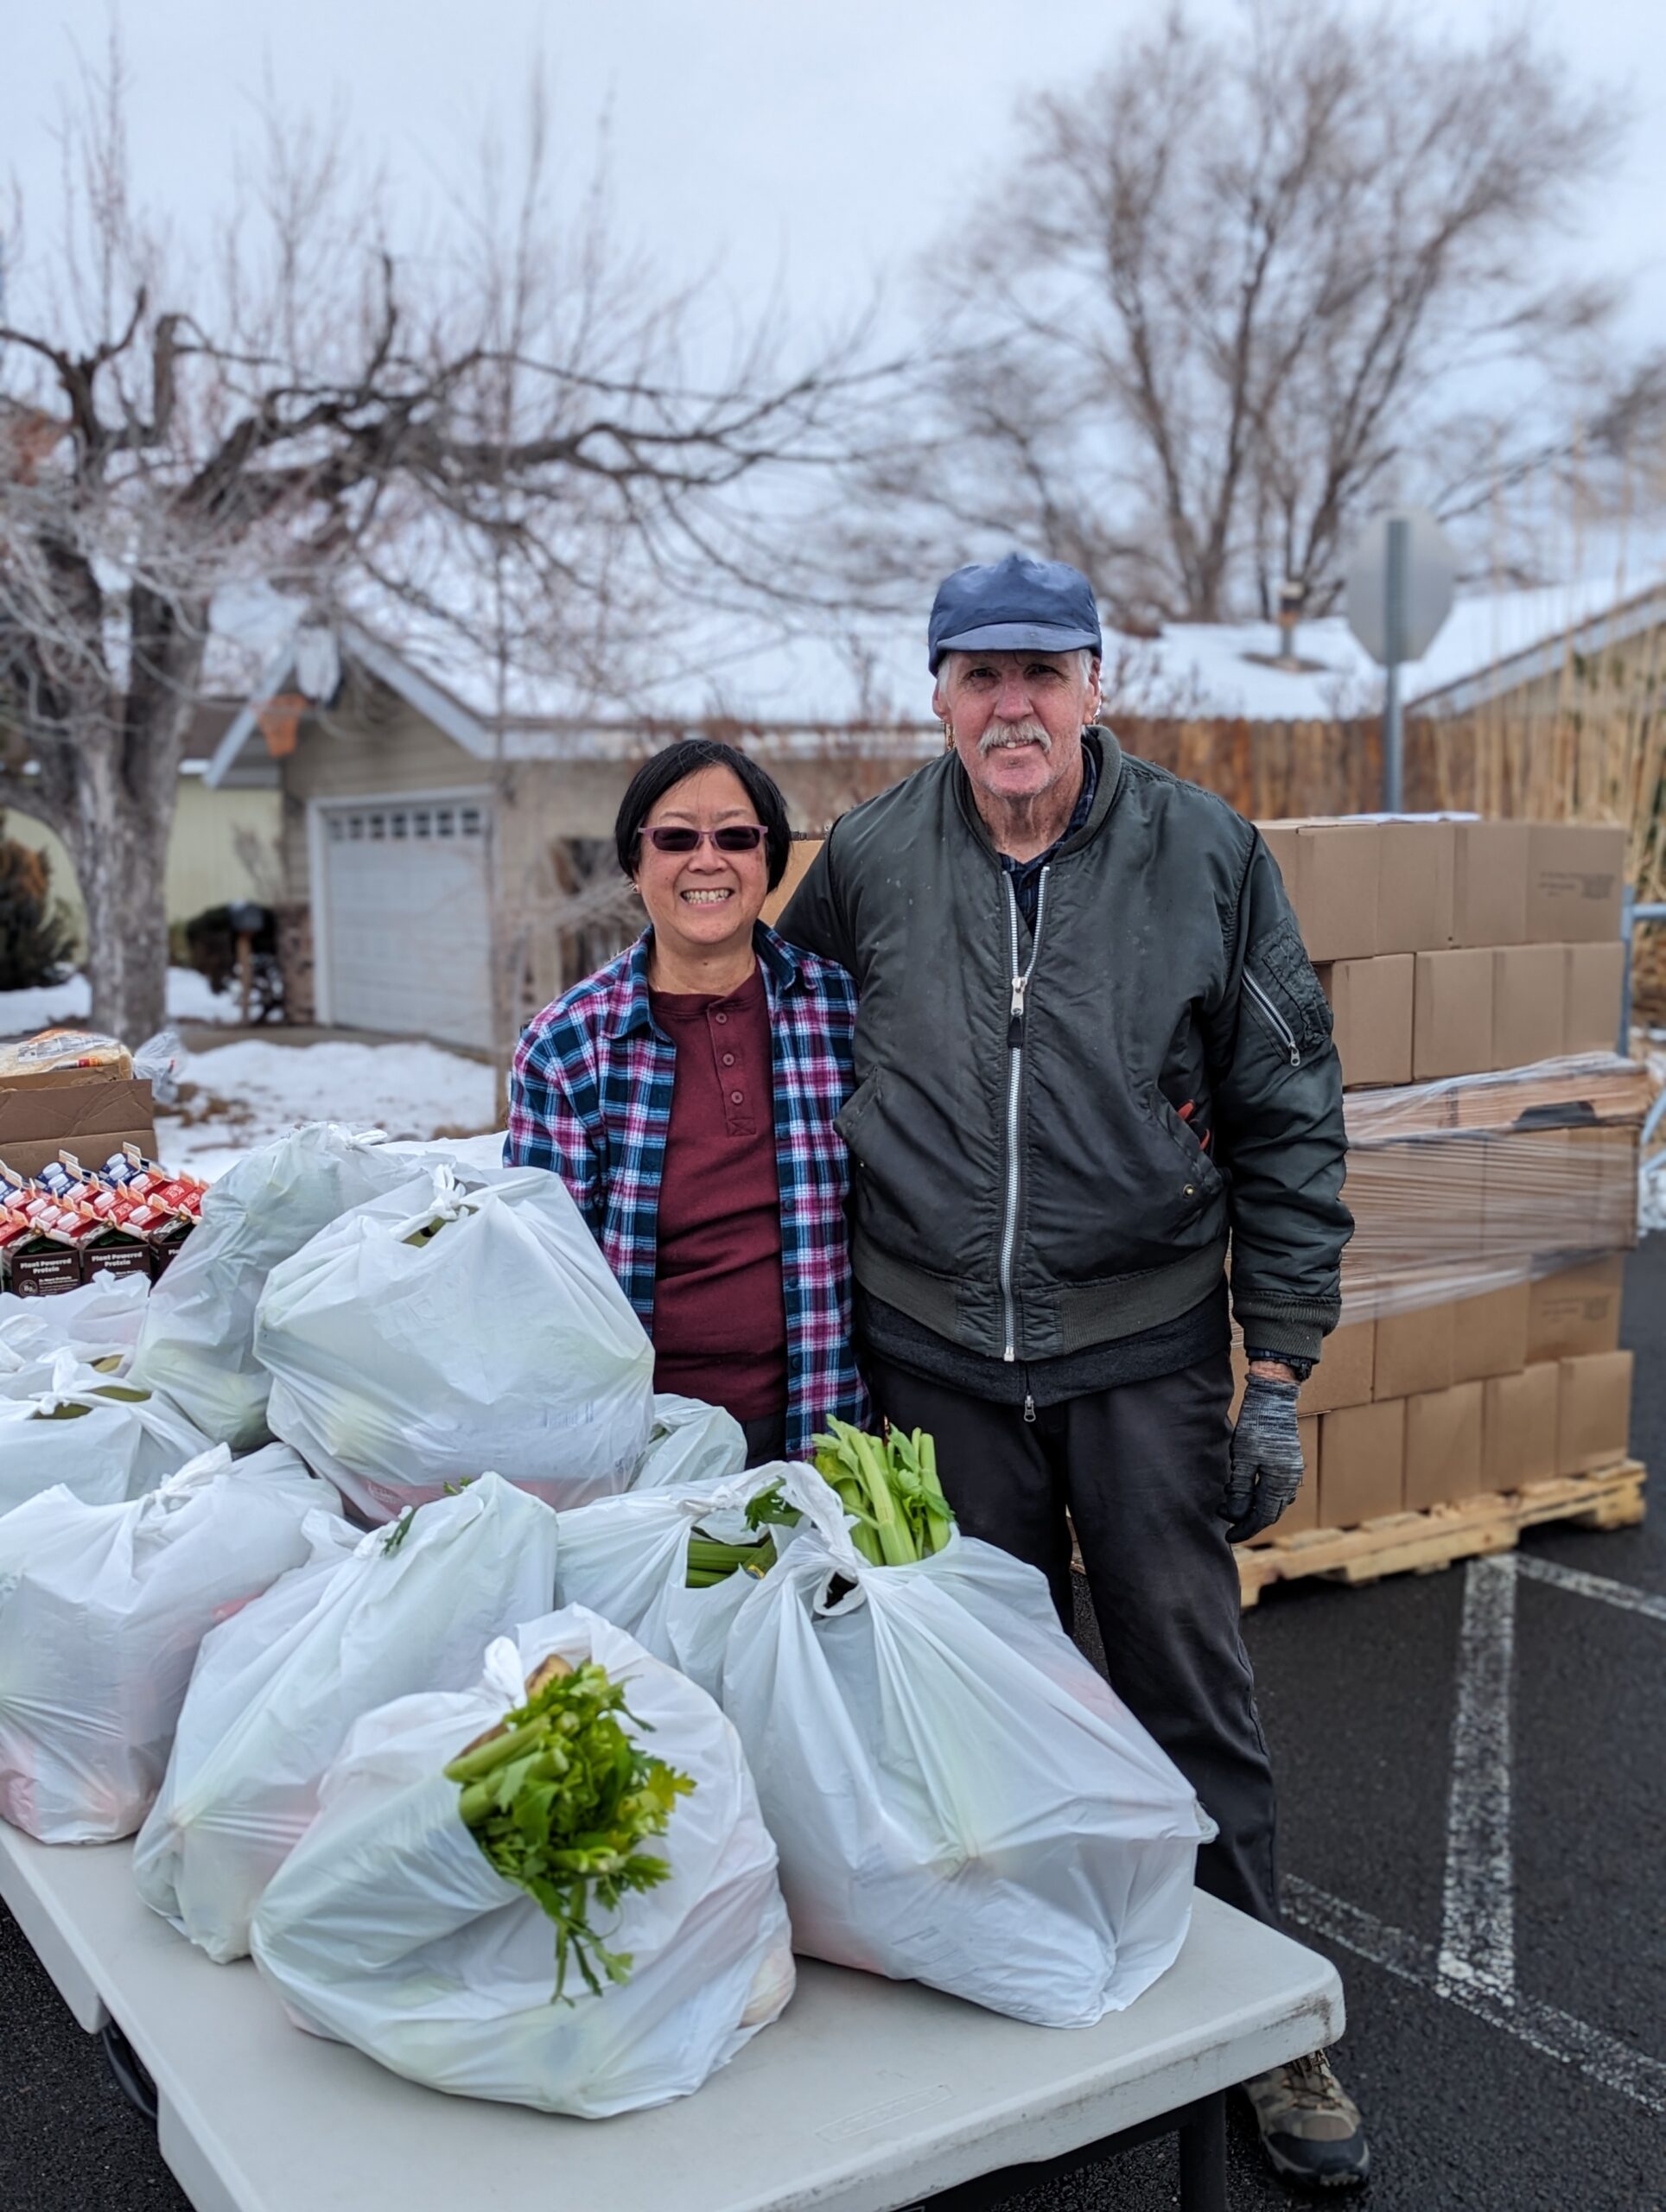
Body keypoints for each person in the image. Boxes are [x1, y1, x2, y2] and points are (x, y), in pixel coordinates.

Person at [779, 552, 1367, 2191]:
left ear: (1097, 686)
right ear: (938, 697)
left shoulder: (1204, 856)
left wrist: (1279, 1370)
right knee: (980, 1696)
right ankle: (1033, 1991)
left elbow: (1284, 1118)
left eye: (1042, 672)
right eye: (978, 676)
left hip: (1141, 1350)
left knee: (1185, 1686)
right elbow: (792, 1049)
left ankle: (1269, 2029)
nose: (1011, 705)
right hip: (937, 1355)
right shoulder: (870, 861)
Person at [505, 735, 867, 1465]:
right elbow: (544, 1283)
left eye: (736, 836)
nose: (708, 860)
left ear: (767, 864)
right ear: (635, 867)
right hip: (645, 1442)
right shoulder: (567, 1046)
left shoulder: (843, 1011)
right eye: (675, 838)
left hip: (827, 1425)